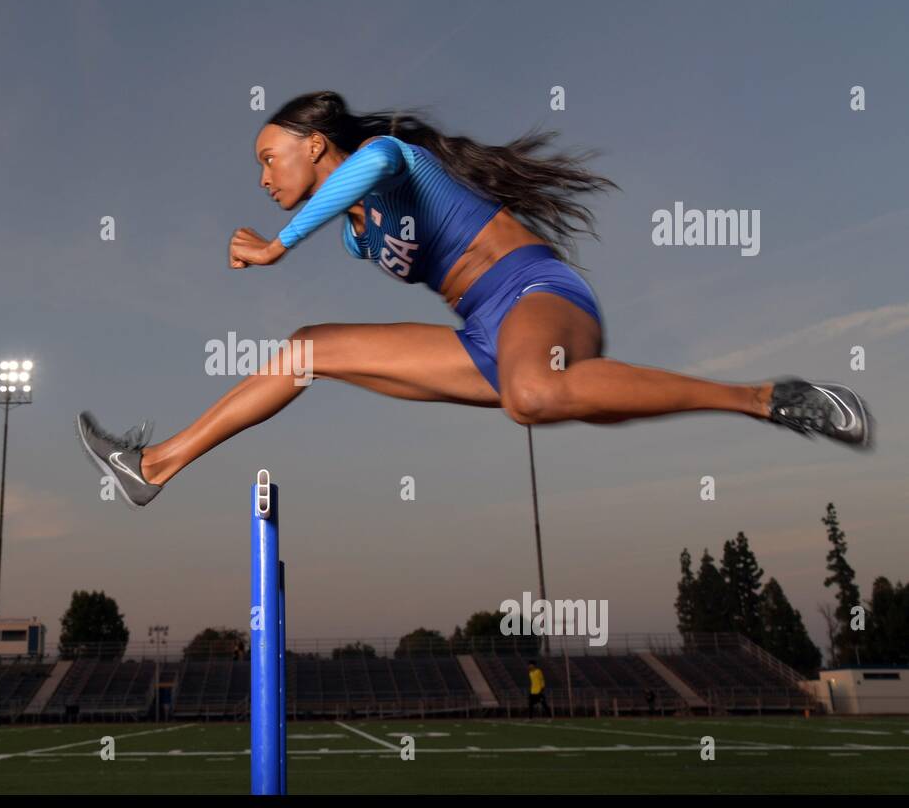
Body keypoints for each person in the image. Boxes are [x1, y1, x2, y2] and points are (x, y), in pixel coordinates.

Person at [76, 91, 873, 508]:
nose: (261, 178)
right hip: (481, 335)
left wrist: (281, 244)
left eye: (267, 158)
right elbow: (354, 212)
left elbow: (372, 163)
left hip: (535, 293)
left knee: (534, 394)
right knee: (309, 349)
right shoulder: (355, 233)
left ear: (314, 145)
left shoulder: (395, 159)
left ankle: (766, 397)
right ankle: (153, 465)